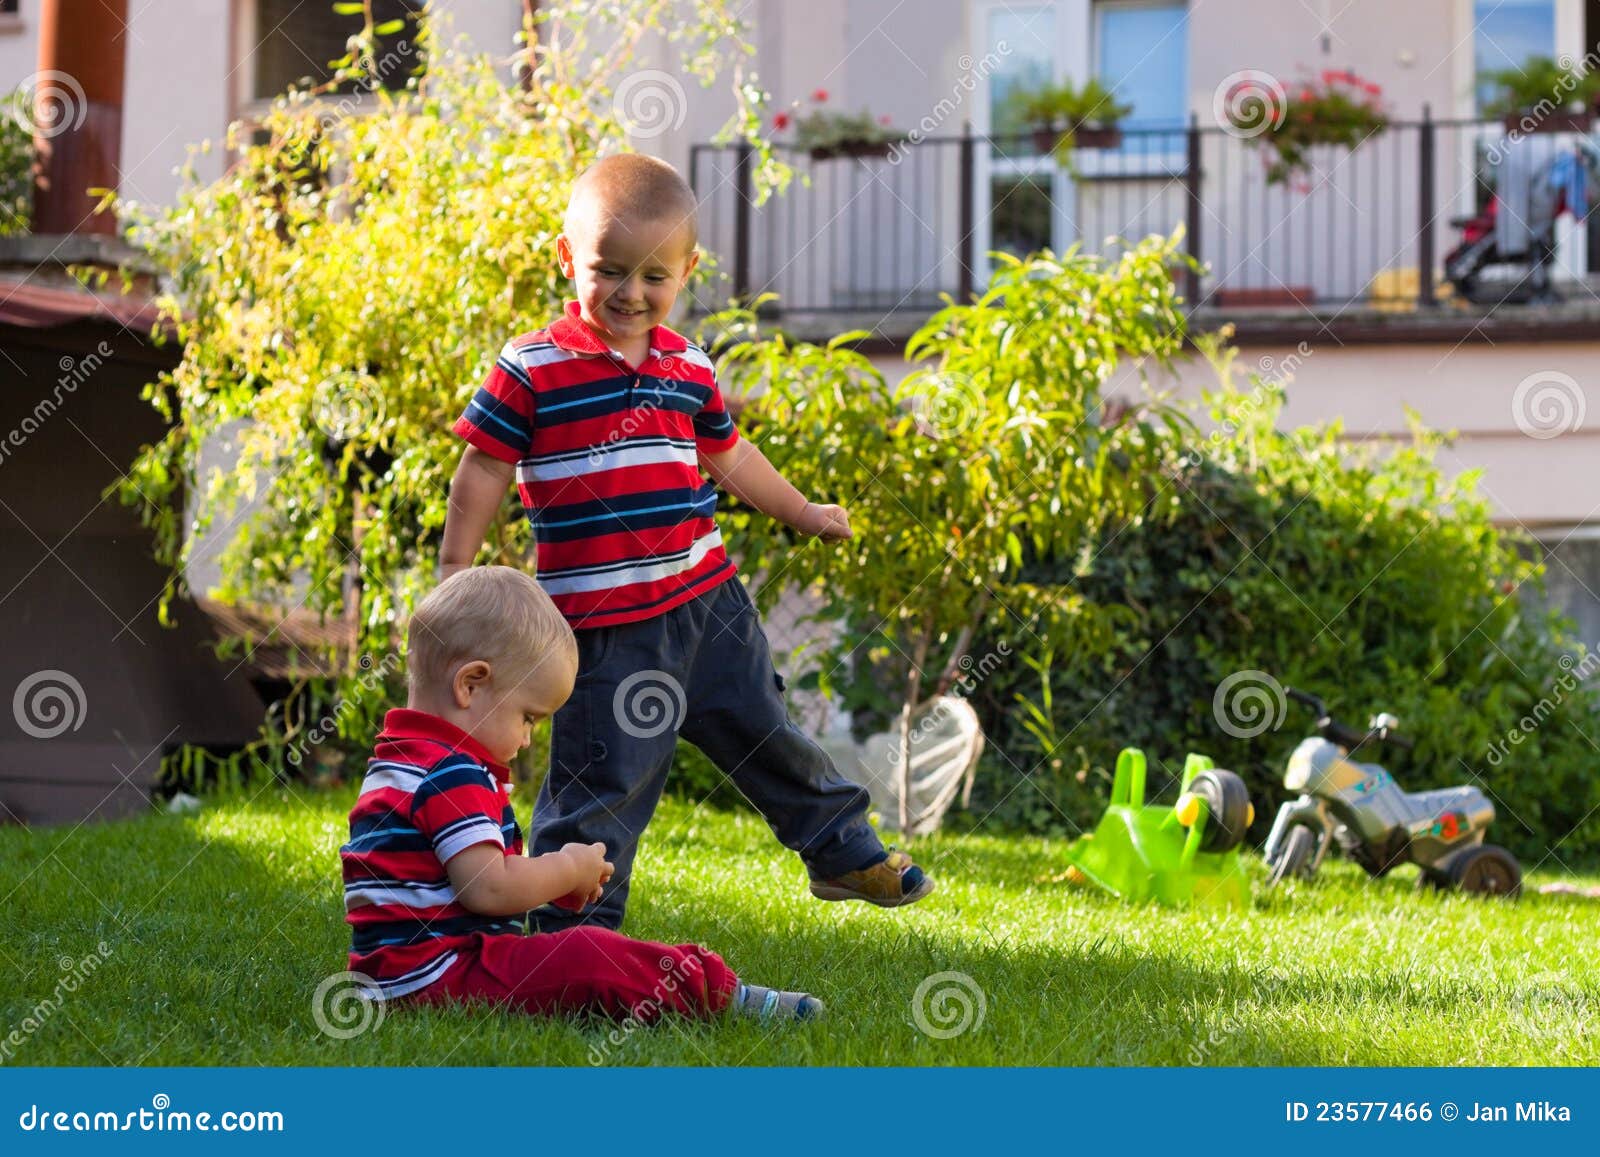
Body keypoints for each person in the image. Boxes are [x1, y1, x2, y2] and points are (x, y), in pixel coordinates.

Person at [441, 152, 933, 932]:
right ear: (567, 257)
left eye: (653, 276)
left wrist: (803, 510)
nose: (630, 293)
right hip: (604, 631)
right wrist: (453, 568)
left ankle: (841, 850)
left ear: (687, 271)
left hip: (709, 606)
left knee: (767, 731)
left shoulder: (688, 365)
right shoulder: (533, 367)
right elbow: (484, 467)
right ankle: (572, 938)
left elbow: (732, 457)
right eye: (608, 271)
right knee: (603, 780)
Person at [338, 566, 822, 1021]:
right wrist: (568, 867)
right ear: (471, 684)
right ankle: (720, 992)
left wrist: (553, 885)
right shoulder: (451, 772)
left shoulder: (400, 763)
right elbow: (488, 888)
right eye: (528, 717)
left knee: (568, 952)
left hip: (398, 977)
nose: (528, 739)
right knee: (586, 954)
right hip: (440, 974)